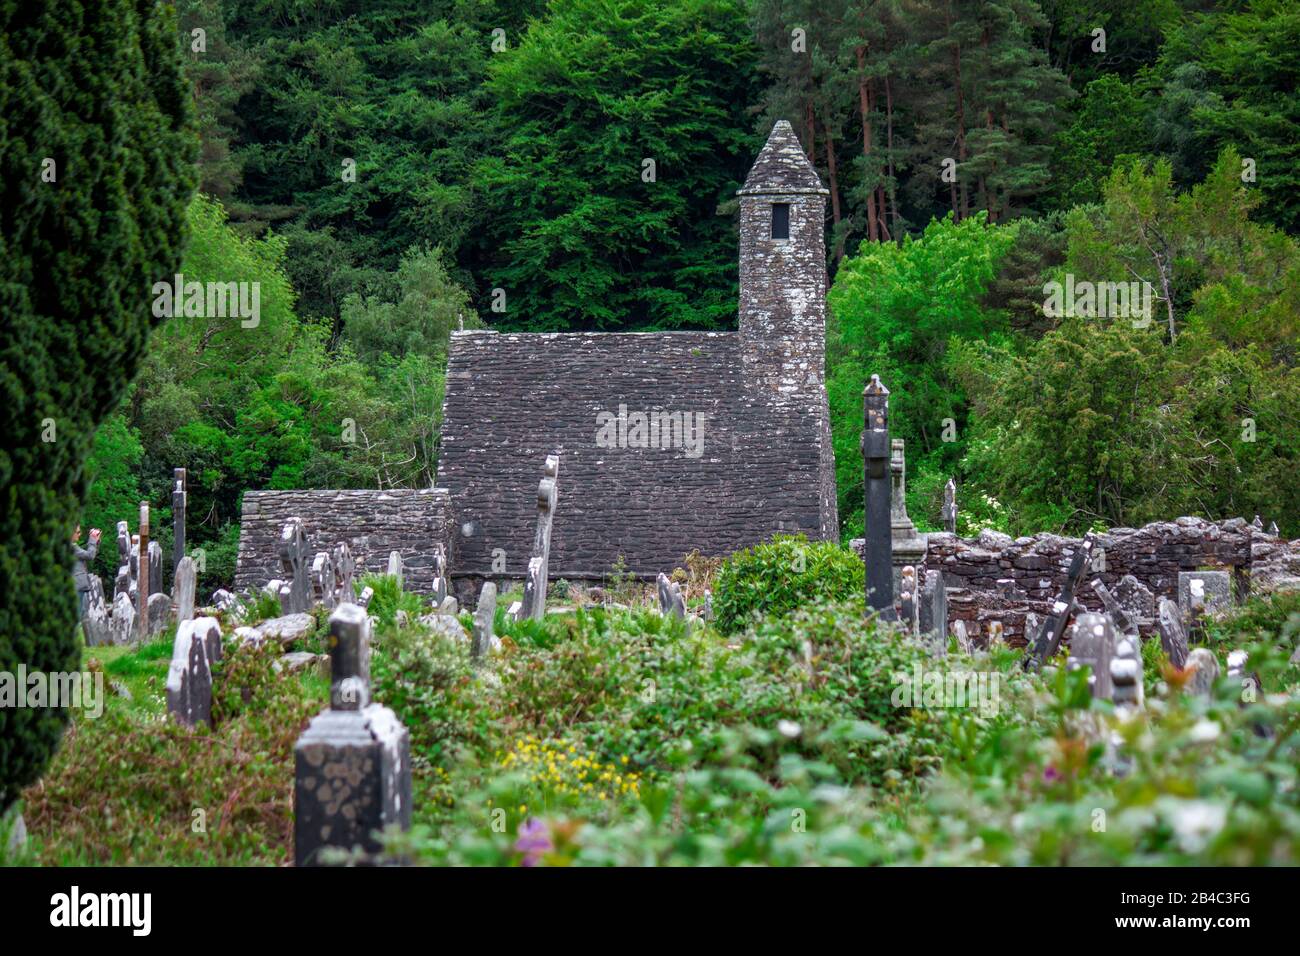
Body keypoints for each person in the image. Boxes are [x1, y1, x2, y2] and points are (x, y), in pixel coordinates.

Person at [71, 525, 101, 618]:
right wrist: (92, 539)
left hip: (77, 585)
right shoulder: (72, 548)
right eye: (78, 532)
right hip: (77, 585)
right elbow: (90, 555)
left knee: (82, 611)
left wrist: (95, 541)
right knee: (78, 614)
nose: (79, 535)